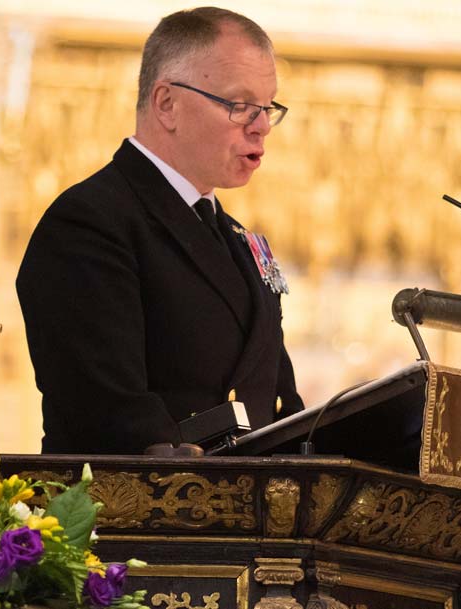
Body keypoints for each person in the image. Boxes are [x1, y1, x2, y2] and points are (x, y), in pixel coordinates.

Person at [16, 7, 304, 454]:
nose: (262, 126)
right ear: (167, 103)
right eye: (240, 106)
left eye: (267, 107)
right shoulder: (91, 221)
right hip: (133, 513)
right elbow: (107, 408)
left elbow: (278, 404)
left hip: (250, 509)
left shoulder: (235, 238)